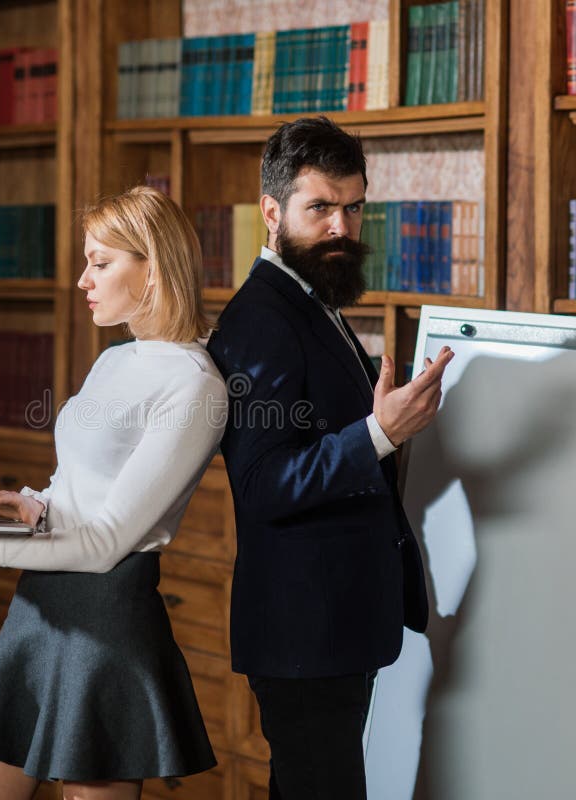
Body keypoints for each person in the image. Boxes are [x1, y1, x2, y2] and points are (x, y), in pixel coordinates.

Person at [0, 186, 228, 800]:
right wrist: (36, 504)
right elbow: (80, 485)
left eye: (101, 262)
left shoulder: (196, 387)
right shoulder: (115, 360)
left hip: (105, 622)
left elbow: (107, 542)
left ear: (153, 266)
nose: (84, 279)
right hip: (38, 607)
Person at [205, 116, 454, 800]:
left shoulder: (315, 298)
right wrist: (379, 431)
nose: (343, 227)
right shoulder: (260, 318)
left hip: (334, 625)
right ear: (272, 210)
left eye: (353, 206)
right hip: (301, 633)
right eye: (321, 208)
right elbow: (261, 482)